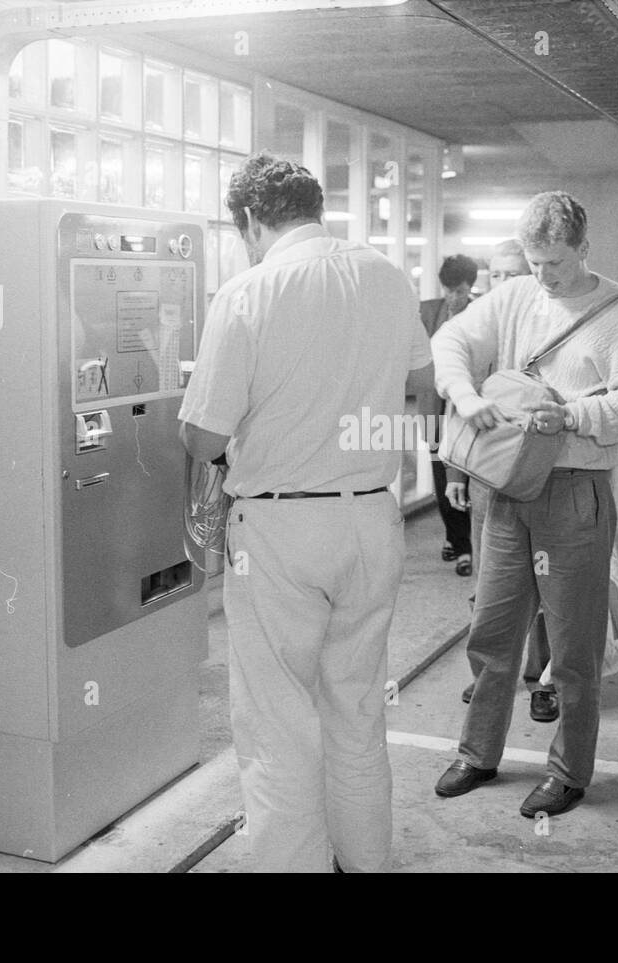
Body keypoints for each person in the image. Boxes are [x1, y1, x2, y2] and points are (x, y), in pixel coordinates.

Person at [178, 152, 434, 871]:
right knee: (355, 709)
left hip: (281, 531)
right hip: (371, 520)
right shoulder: (387, 277)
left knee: (278, 723)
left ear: (252, 221)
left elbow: (204, 436)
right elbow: (423, 384)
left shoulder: (249, 292)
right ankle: (364, 863)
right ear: (315, 207)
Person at [431, 191, 618, 818]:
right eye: (534, 262)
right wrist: (462, 394)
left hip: (576, 493)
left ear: (584, 249)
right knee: (493, 629)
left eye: (556, 263)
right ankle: (478, 754)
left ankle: (568, 771)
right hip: (508, 487)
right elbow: (449, 342)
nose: (544, 277)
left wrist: (575, 413)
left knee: (573, 644)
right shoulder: (514, 297)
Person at [450, 239, 558, 722]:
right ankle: (488, 677)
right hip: (486, 479)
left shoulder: (552, 325)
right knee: (489, 585)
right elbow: (460, 399)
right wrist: (455, 472)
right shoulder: (479, 331)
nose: (502, 284)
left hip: (540, 477)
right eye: (495, 275)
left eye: (513, 274)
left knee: (545, 583)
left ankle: (542, 681)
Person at [421, 254, 481, 576]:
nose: (453, 297)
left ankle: (465, 546)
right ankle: (456, 539)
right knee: (442, 481)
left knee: (465, 481)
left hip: (467, 411)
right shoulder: (428, 312)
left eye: (459, 290)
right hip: (435, 411)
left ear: (470, 287)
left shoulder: (482, 313)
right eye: (448, 289)